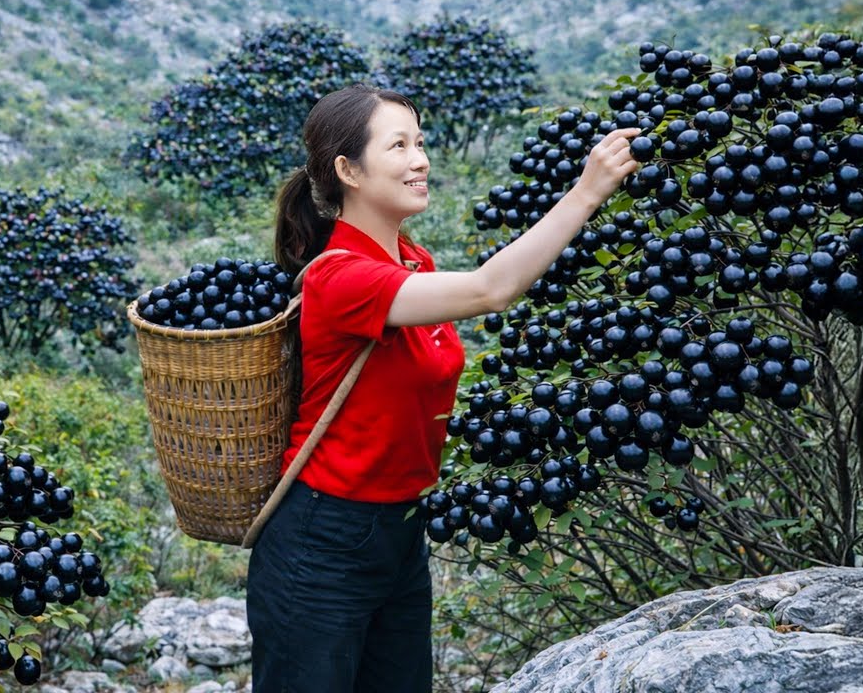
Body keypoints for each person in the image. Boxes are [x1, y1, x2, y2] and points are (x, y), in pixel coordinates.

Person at [245, 83, 639, 692]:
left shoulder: (414, 261)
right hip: (322, 539)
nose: (420, 159)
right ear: (348, 170)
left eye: (420, 142)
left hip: (401, 532)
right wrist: (586, 193)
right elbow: (491, 290)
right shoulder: (342, 278)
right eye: (398, 145)